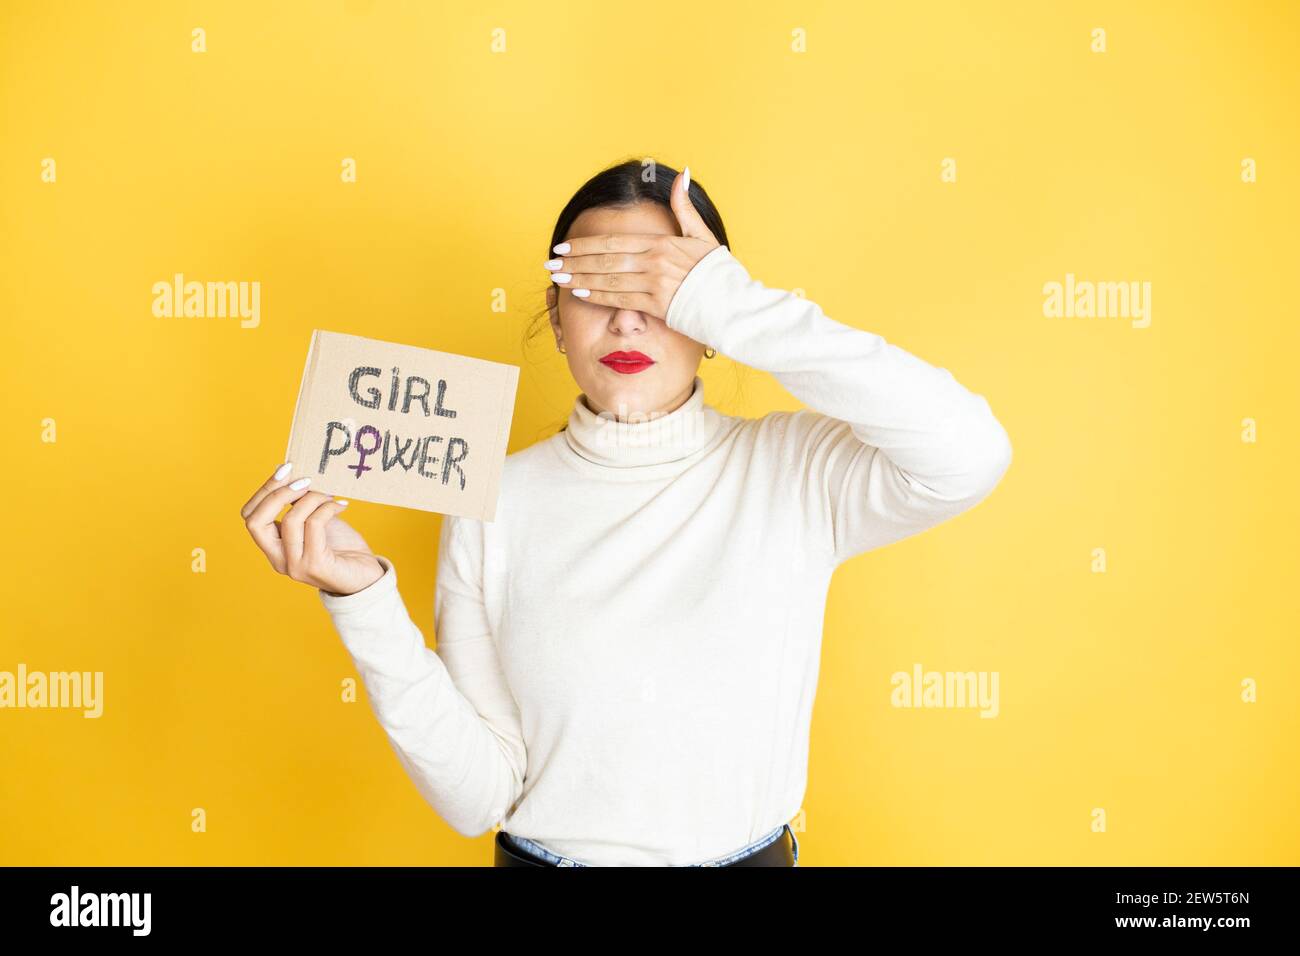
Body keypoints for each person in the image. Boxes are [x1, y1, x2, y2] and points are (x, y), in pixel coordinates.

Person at [239, 159, 1013, 867]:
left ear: (709, 318)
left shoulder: (793, 472)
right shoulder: (491, 502)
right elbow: (478, 798)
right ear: (556, 311)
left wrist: (728, 300)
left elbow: (969, 451)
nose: (627, 318)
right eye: (595, 288)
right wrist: (362, 599)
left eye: (657, 289)